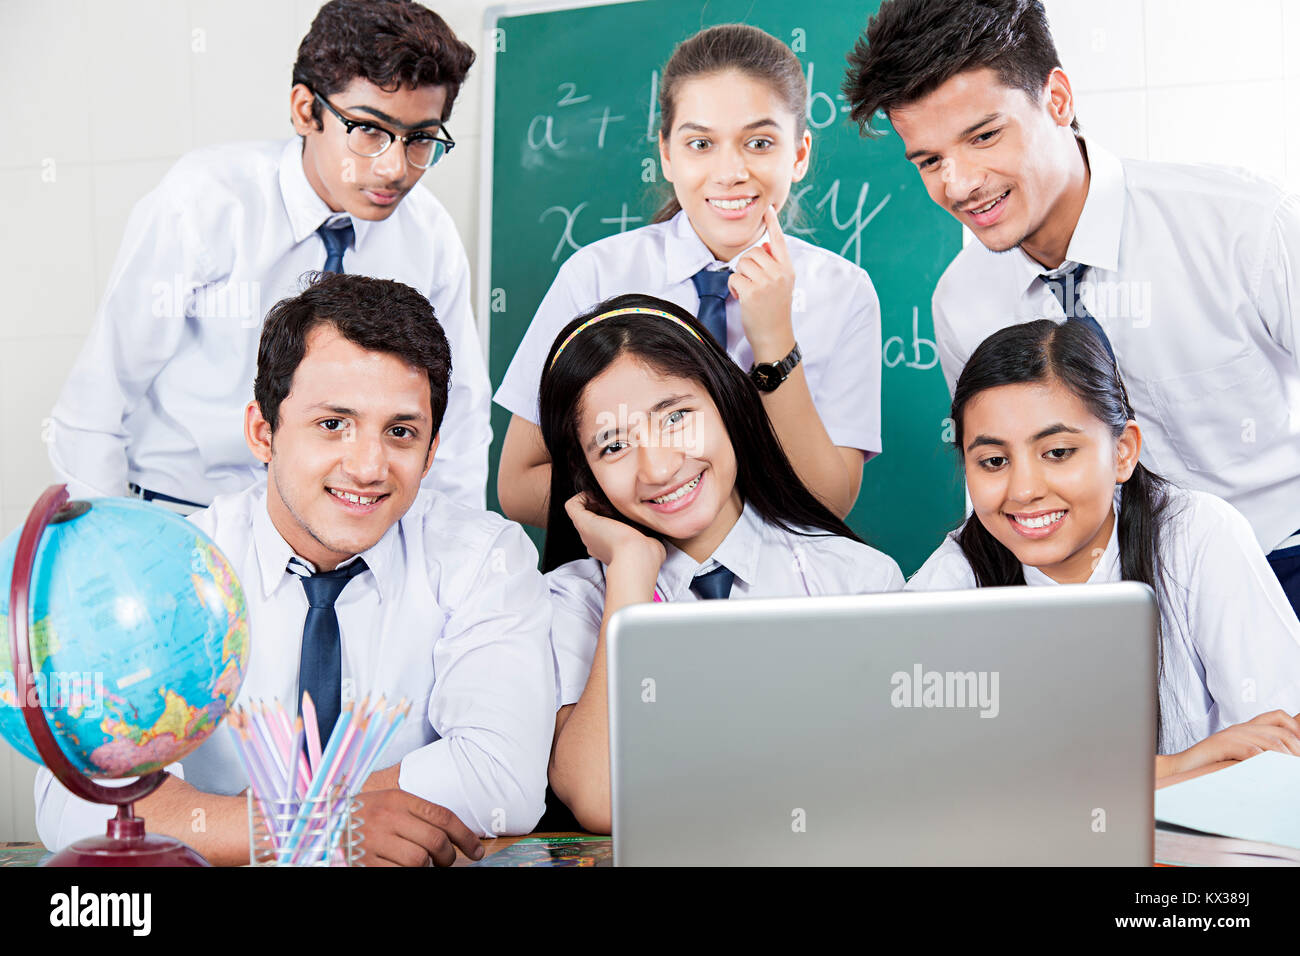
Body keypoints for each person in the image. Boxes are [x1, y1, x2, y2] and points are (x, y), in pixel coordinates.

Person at [35, 274, 555, 866]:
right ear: (264, 432)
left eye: (401, 432)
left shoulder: (484, 558)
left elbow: (502, 779)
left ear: (432, 451)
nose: (368, 467)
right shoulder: (171, 568)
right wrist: (315, 831)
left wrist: (231, 821)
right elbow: (75, 799)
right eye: (333, 424)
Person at [842, 0, 1300, 615]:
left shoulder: (1243, 227)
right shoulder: (962, 302)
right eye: (929, 160)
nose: (958, 183)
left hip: (1280, 564)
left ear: (1057, 98)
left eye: (983, 136)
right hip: (1105, 600)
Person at [47, 0, 491, 513]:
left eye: (420, 139)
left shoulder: (429, 232)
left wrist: (446, 547)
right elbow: (100, 394)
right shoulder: (206, 202)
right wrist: (113, 540)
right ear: (307, 110)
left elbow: (457, 413)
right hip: (190, 513)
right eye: (369, 130)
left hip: (346, 523)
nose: (395, 168)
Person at [540, 294, 904, 832]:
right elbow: (598, 799)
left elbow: (892, 784)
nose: (660, 467)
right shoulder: (575, 601)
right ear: (585, 472)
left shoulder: (855, 580)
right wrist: (631, 573)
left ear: (728, 403)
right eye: (614, 446)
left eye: (677, 418)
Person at [495, 23, 883, 527]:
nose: (730, 172)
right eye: (701, 144)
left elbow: (829, 504)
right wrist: (658, 505)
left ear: (800, 154)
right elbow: (519, 485)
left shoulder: (845, 293)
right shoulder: (595, 277)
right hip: (632, 584)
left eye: (760, 142)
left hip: (776, 590)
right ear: (666, 154)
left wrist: (775, 343)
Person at [906, 320, 1300, 777]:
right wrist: (1179, 767)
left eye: (1057, 452)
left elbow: (1280, 745)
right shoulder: (953, 579)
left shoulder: (1197, 534)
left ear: (1123, 452)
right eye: (994, 461)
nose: (1025, 490)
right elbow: (928, 780)